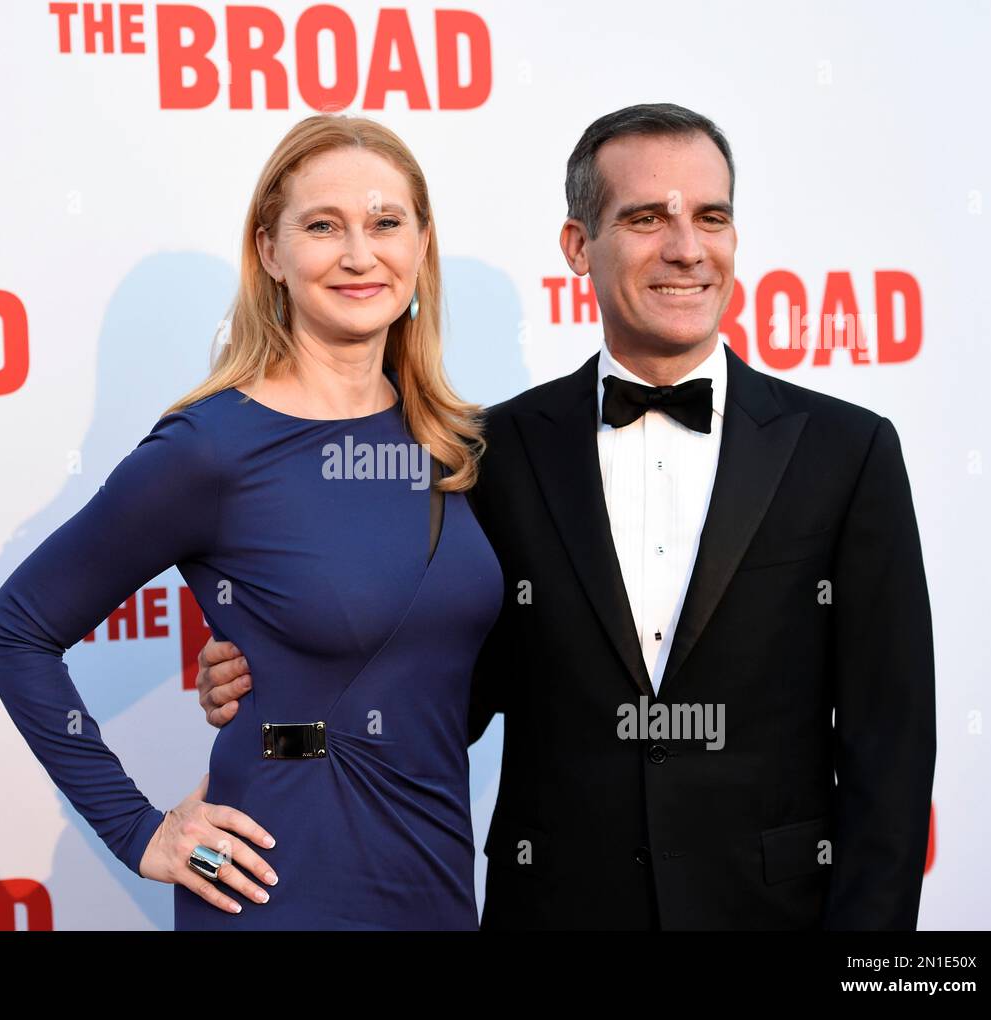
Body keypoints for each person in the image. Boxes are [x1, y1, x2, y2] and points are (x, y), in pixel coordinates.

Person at [196, 103, 937, 930]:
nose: (687, 248)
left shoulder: (848, 451)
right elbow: (437, 694)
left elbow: (891, 749)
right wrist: (280, 676)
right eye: (647, 217)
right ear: (578, 247)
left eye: (712, 217)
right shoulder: (490, 452)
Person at [0, 112, 503, 930]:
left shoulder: (455, 443)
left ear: (422, 247)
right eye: (323, 226)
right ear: (269, 253)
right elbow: (14, 632)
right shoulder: (212, 448)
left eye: (386, 223)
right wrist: (137, 829)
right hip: (277, 884)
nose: (361, 254)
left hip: (434, 880)